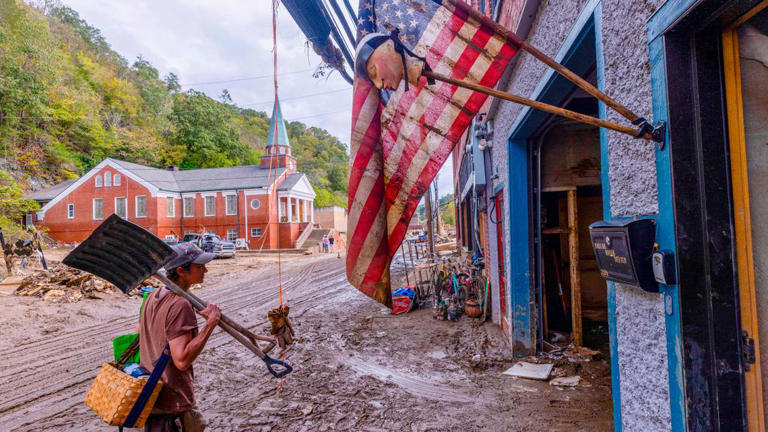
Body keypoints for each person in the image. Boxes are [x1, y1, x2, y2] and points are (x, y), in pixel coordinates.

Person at [139, 243, 220, 432]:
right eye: (199, 267)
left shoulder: (153, 295)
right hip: (173, 404)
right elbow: (182, 360)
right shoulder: (180, 305)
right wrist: (210, 324)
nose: (205, 270)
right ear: (181, 271)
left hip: (153, 399)